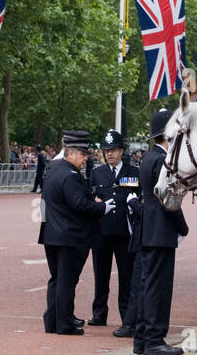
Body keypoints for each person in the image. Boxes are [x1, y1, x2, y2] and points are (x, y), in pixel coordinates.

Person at [38, 131, 110, 335]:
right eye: (82, 154)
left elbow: (44, 203)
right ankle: (65, 324)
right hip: (69, 236)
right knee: (66, 282)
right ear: (70, 153)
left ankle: (53, 321)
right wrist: (102, 207)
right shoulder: (70, 175)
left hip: (52, 234)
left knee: (56, 280)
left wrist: (46, 227)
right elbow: (79, 204)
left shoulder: (52, 170)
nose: (85, 158)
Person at [131, 108, 189, 355]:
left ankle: (143, 337)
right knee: (158, 288)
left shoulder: (148, 158)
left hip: (149, 228)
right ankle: (154, 338)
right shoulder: (162, 161)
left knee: (148, 284)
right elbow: (170, 199)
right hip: (161, 229)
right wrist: (183, 227)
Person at [88, 129, 139, 328]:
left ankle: (126, 315)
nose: (109, 154)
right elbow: (90, 194)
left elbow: (139, 196)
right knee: (101, 275)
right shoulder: (96, 173)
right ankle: (99, 313)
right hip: (102, 232)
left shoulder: (133, 173)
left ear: (121, 151)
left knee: (126, 276)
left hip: (124, 233)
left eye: (113, 150)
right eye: (106, 150)